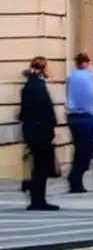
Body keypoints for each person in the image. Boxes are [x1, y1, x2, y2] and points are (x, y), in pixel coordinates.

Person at [18, 57, 58, 211]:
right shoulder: (38, 86)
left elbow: (23, 113)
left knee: (38, 166)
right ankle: (38, 199)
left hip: (33, 131)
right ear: (43, 68)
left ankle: (36, 195)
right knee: (42, 166)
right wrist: (51, 128)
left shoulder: (29, 86)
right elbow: (45, 111)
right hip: (40, 132)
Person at [65, 52, 93, 194]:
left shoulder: (70, 76)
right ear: (86, 63)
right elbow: (91, 96)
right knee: (86, 150)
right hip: (86, 117)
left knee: (79, 149)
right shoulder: (88, 77)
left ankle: (75, 178)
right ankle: (75, 178)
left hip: (73, 117)